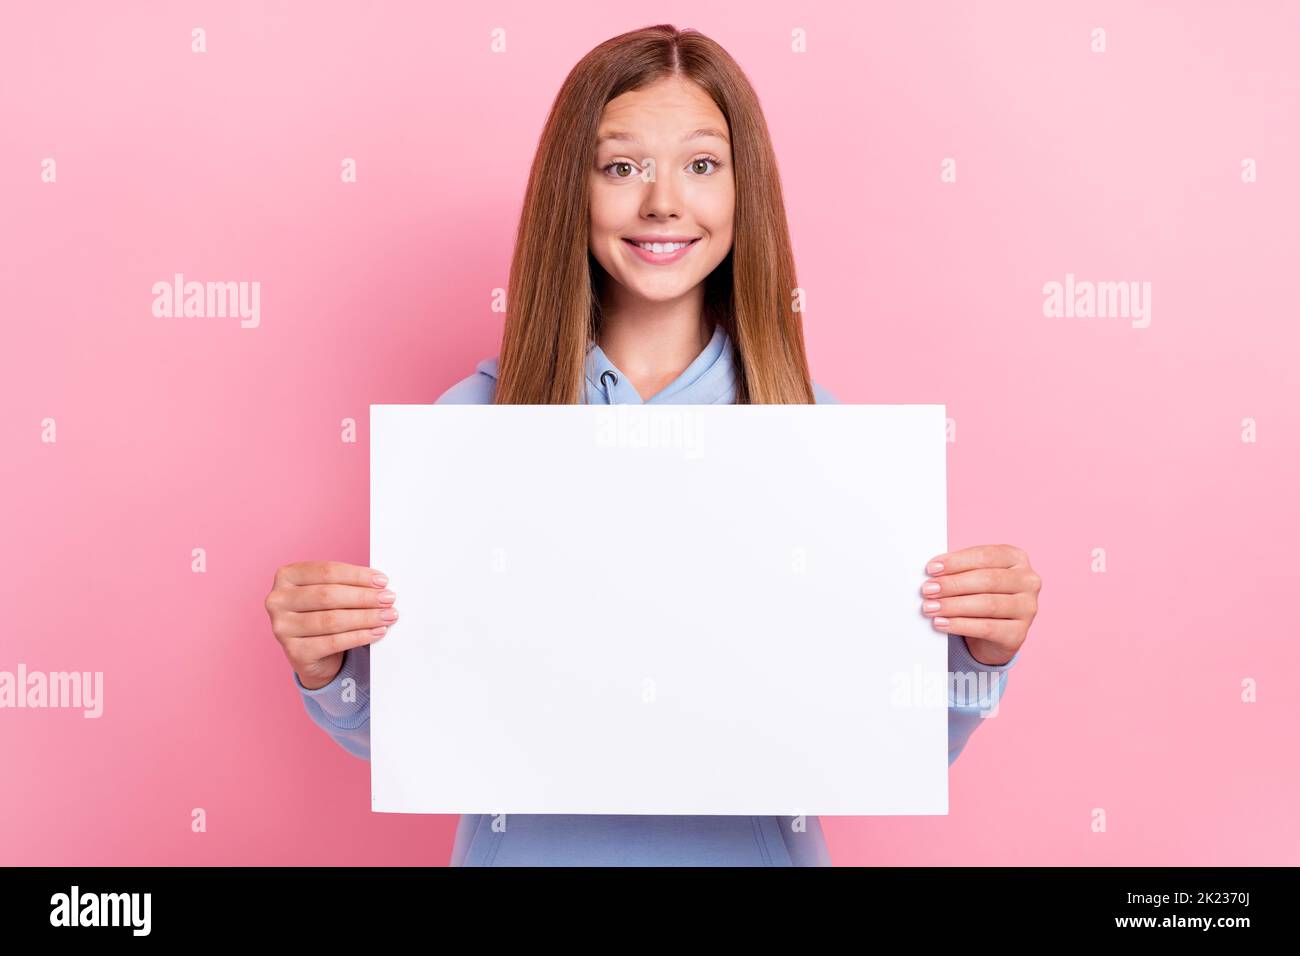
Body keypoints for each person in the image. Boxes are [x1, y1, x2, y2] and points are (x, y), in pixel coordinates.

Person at [264, 24, 1041, 866]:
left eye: (702, 165)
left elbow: (894, 744)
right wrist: (328, 662)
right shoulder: (473, 426)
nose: (663, 201)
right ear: (576, 190)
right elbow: (415, 733)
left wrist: (976, 651)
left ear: (747, 194)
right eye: (622, 166)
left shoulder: (819, 439)